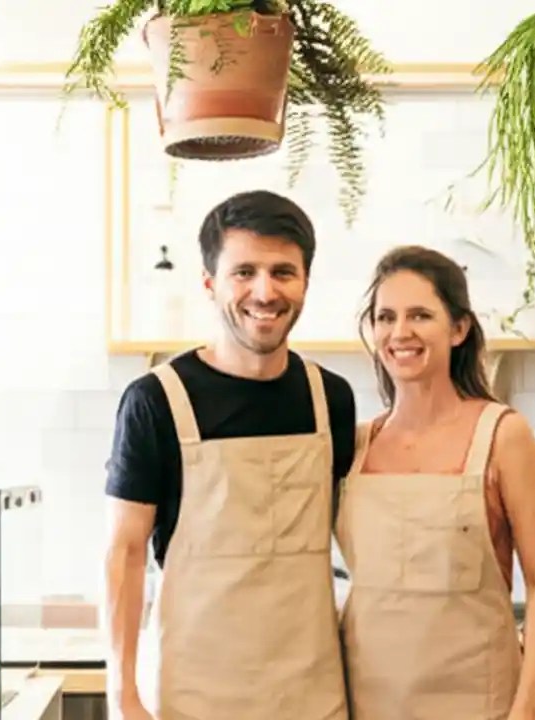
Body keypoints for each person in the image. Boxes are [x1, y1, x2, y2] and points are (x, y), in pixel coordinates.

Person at [102, 190, 357, 720]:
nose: (265, 291)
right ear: (209, 283)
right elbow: (124, 553)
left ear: (306, 281)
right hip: (193, 693)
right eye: (244, 272)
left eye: (283, 272)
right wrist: (123, 694)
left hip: (310, 693)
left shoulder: (329, 399)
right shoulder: (155, 401)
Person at [336, 245, 535, 720]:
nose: (400, 333)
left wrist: (530, 705)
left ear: (459, 329)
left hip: (478, 701)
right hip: (367, 699)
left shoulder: (502, 435)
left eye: (420, 315)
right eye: (385, 317)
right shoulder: (354, 447)